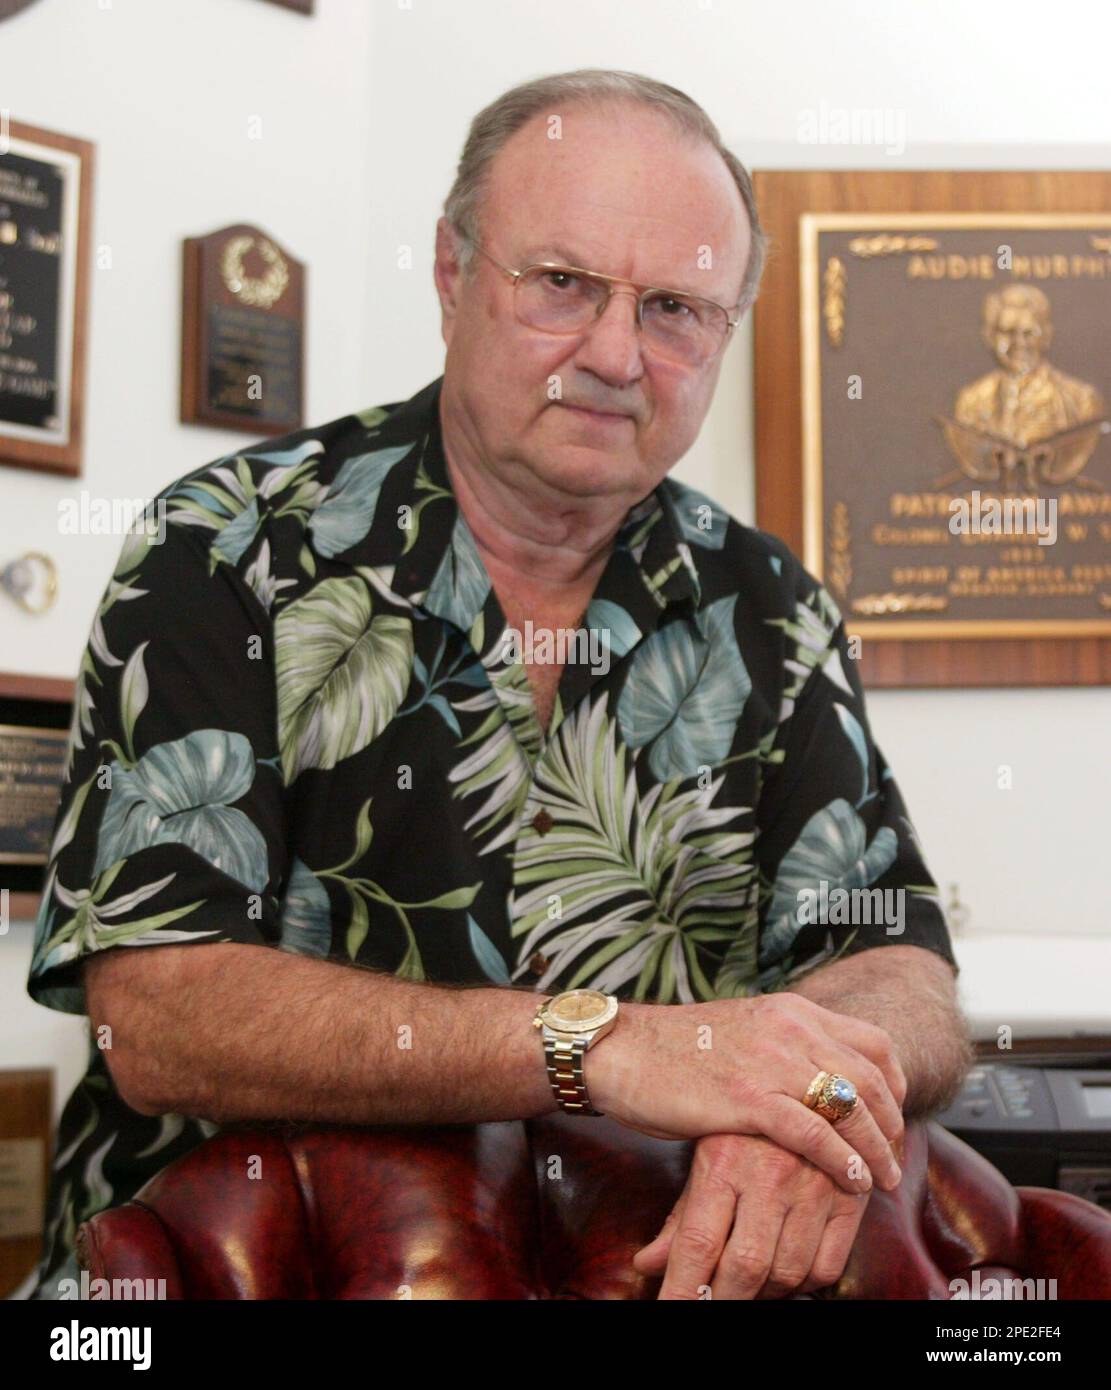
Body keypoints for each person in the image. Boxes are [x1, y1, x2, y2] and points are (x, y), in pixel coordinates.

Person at [27, 68, 971, 1302]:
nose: (617, 353)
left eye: (677, 308)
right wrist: (607, 1049)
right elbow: (155, 1012)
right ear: (451, 272)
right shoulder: (224, 546)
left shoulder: (771, 605)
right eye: (563, 283)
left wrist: (802, 1095)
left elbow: (902, 975)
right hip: (231, 1275)